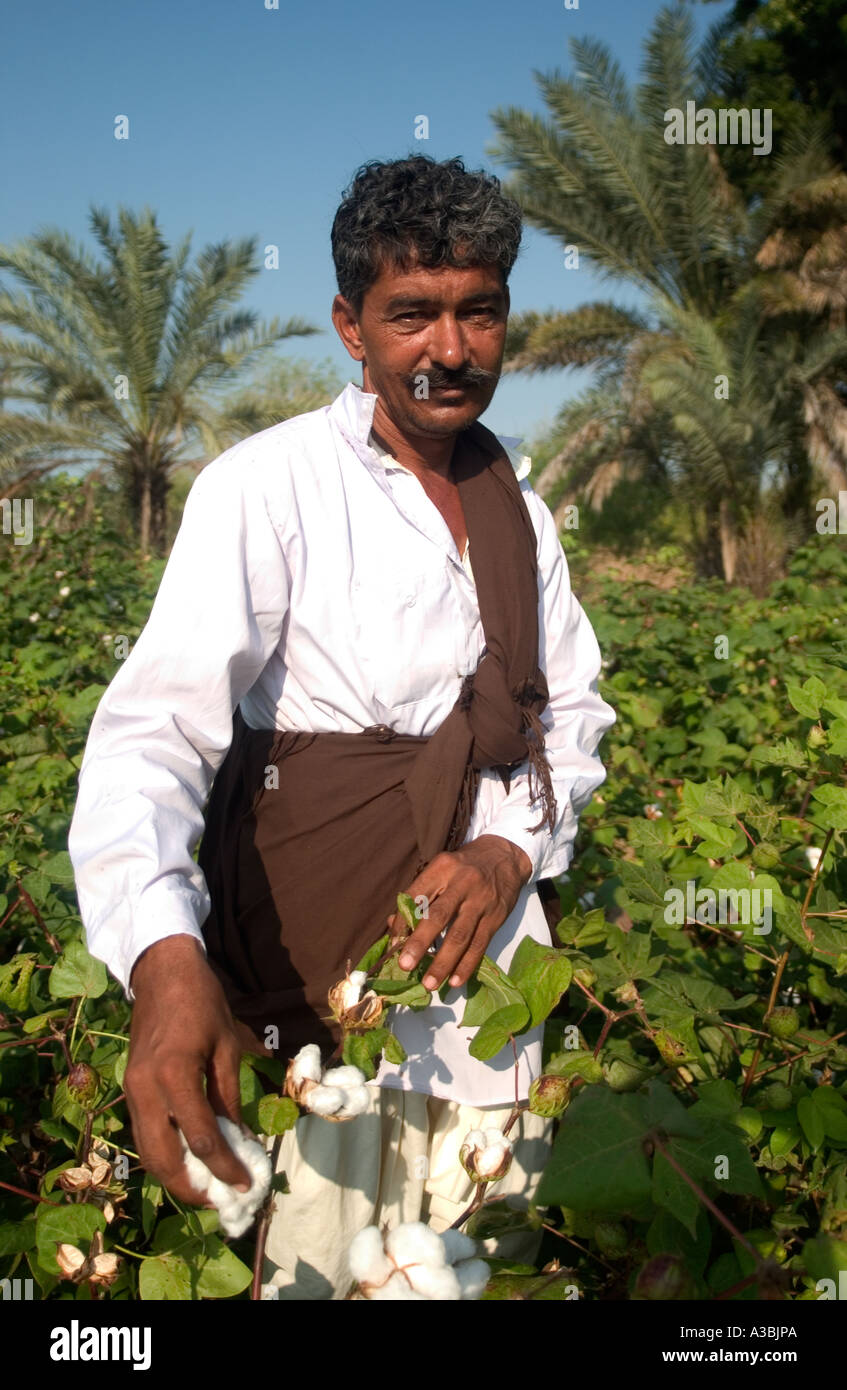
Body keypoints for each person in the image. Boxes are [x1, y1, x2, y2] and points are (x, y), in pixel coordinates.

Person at [68, 154, 616, 1300]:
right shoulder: (266, 489)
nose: (450, 350)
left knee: (479, 1258)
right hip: (313, 994)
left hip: (491, 994)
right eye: (410, 315)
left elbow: (566, 716)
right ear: (349, 327)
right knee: (320, 1270)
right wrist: (165, 963)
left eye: (479, 311)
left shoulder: (521, 516)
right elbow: (153, 736)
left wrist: (507, 848)